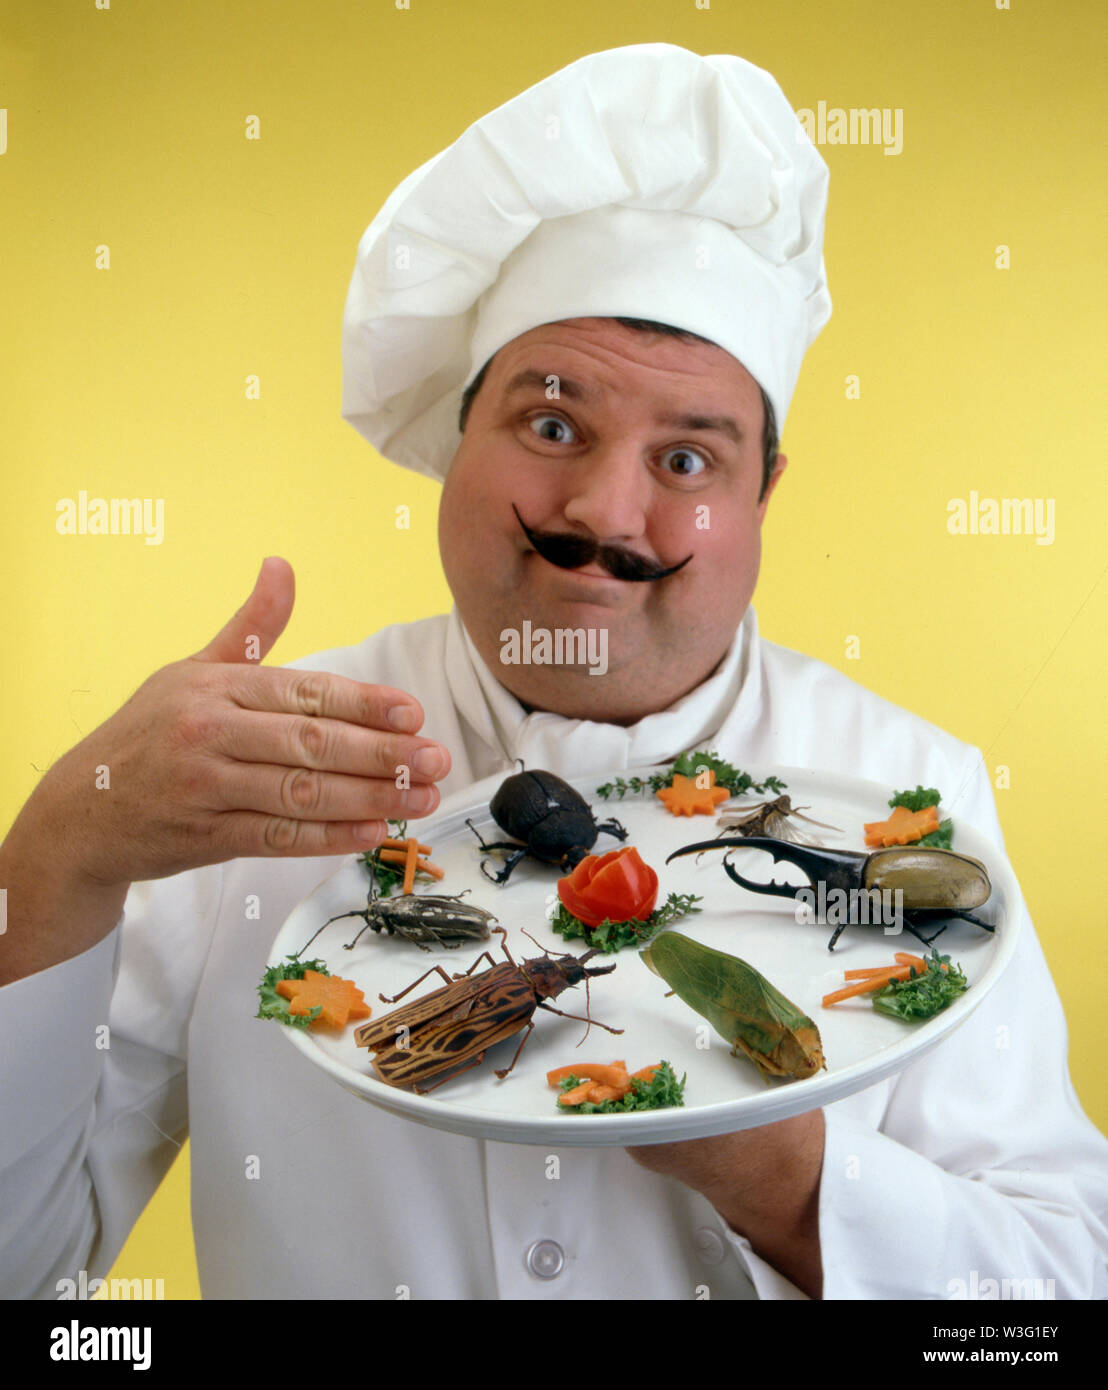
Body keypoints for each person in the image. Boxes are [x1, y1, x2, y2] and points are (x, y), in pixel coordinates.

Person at [1, 44, 1105, 1302]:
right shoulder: (246, 780)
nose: (603, 511)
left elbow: (1053, 1305)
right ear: (455, 436)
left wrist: (788, 1181)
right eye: (551, 423)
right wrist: (59, 853)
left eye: (688, 459)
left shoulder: (908, 787)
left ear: (764, 494)